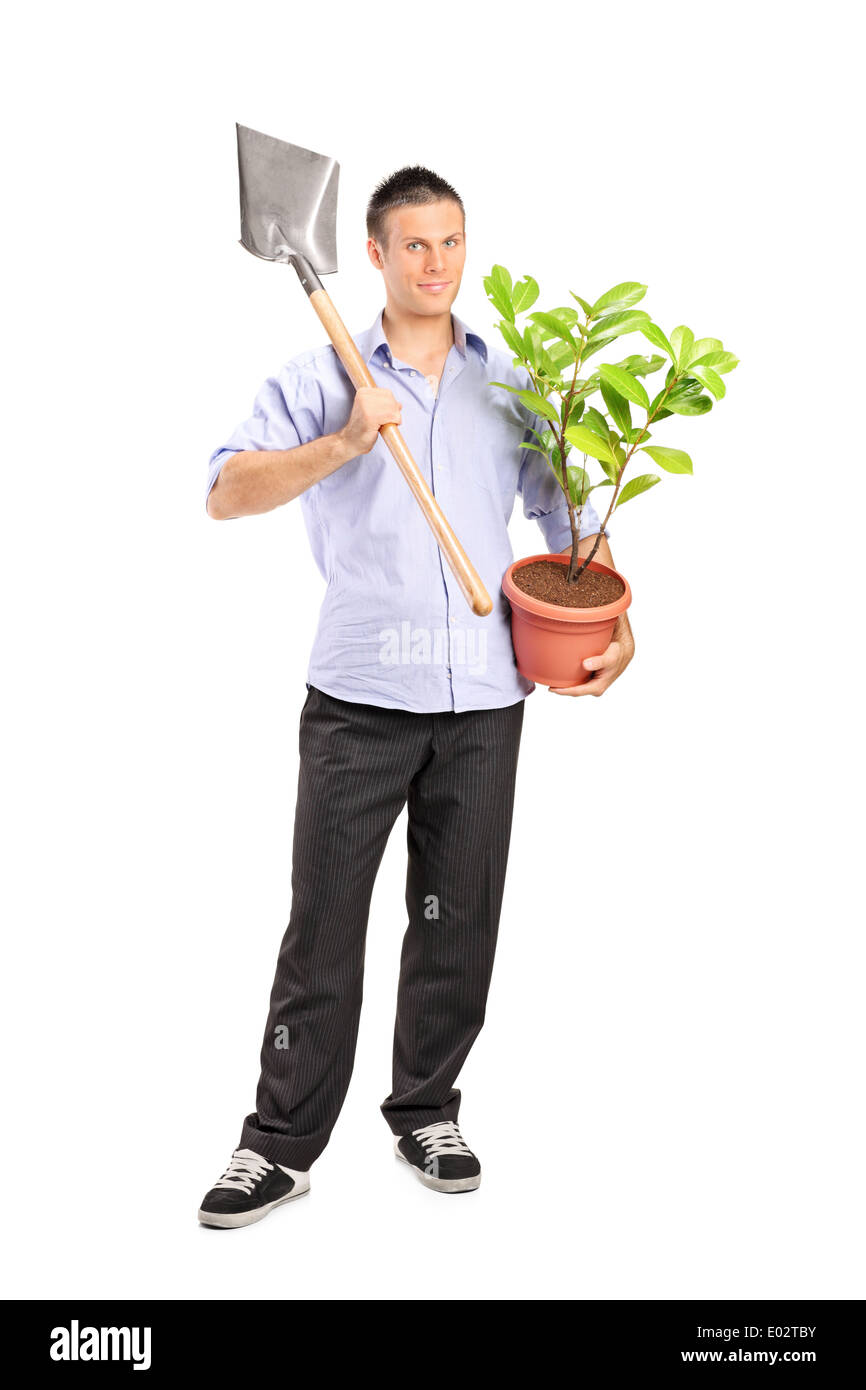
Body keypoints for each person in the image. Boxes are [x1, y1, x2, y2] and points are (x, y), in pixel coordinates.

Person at [198, 165, 634, 1228]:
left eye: (450, 243)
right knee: (324, 926)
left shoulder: (518, 385)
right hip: (357, 701)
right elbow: (224, 489)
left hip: (486, 699)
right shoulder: (321, 374)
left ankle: (424, 1108)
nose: (435, 264)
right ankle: (279, 1143)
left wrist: (615, 618)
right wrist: (346, 439)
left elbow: (568, 520)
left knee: (456, 919)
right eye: (413, 245)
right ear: (377, 255)